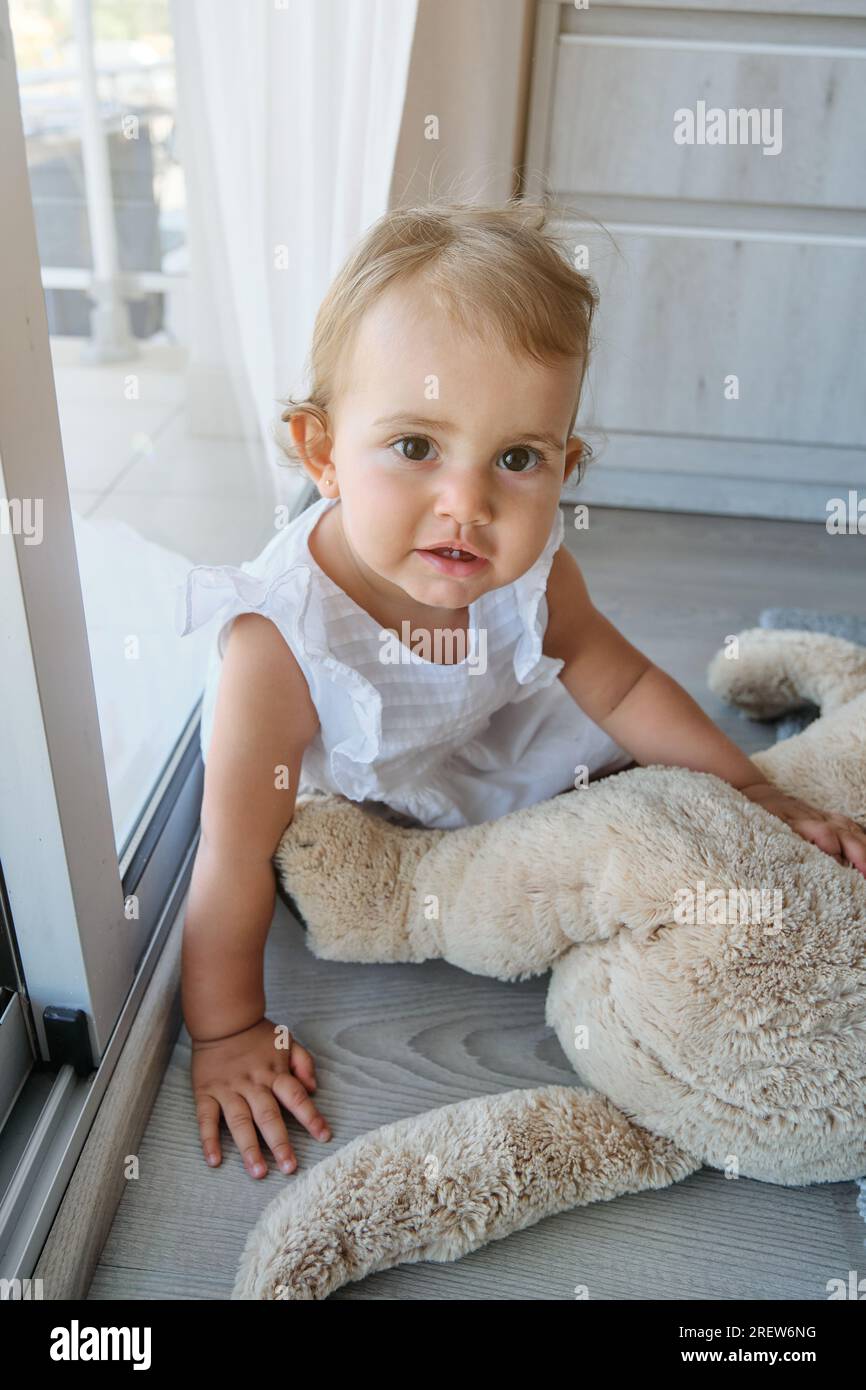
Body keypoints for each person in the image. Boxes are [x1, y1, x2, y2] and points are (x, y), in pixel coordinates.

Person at [176, 199, 866, 1183]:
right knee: (320, 864)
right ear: (321, 451)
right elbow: (230, 854)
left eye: (516, 457)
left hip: (482, 727)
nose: (469, 502)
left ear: (563, 465)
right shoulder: (278, 647)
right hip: (360, 789)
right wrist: (228, 1029)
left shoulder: (528, 569)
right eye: (414, 446)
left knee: (641, 802)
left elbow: (616, 676)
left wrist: (753, 793)